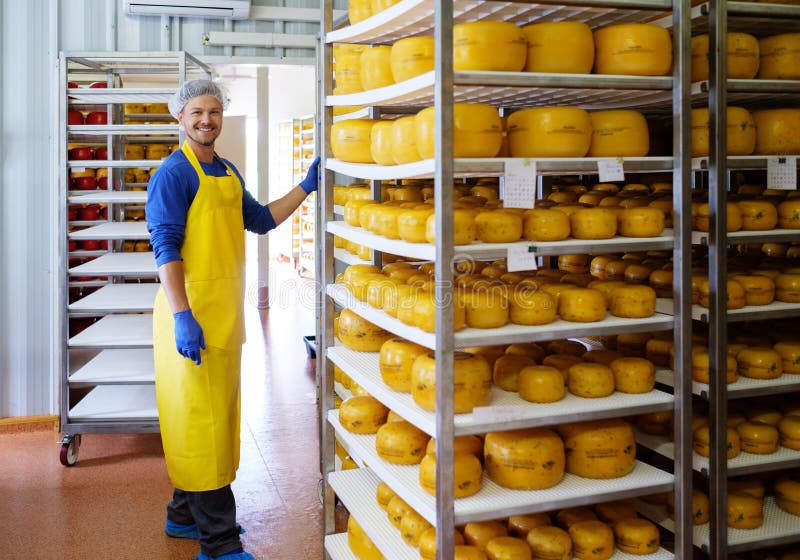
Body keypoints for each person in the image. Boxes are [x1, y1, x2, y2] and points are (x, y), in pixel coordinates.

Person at [145, 79, 319, 560]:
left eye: (214, 111)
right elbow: (165, 248)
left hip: (222, 317)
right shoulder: (173, 175)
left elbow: (261, 219)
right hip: (190, 318)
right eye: (197, 111)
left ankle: (182, 514)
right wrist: (182, 315)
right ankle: (219, 543)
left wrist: (306, 186)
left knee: (211, 418)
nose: (206, 120)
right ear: (179, 117)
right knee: (202, 428)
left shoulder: (226, 170)